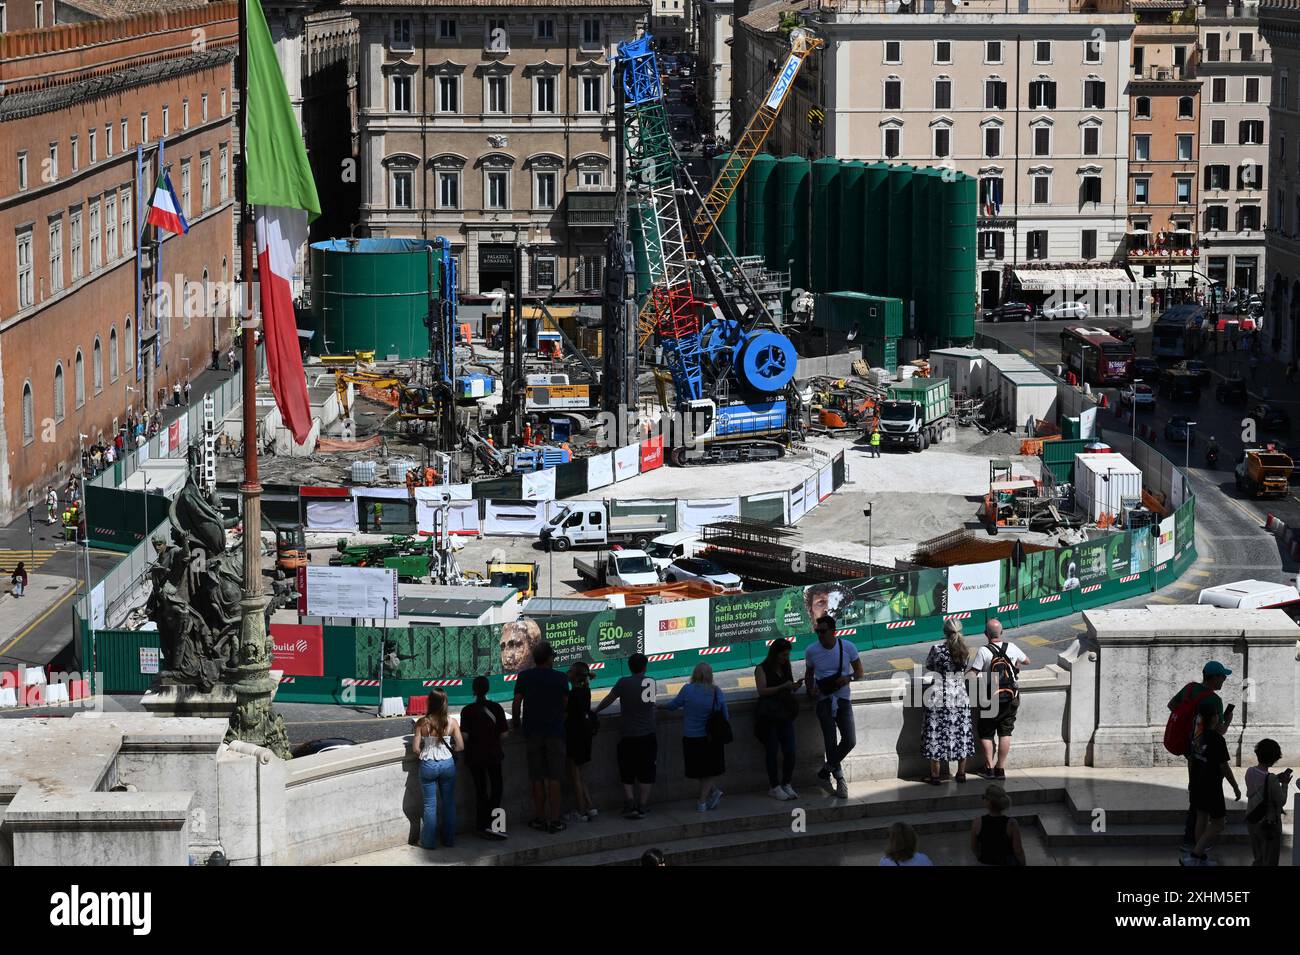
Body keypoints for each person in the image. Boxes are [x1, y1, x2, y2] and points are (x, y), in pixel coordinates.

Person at [1168, 661, 1231, 853]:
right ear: (1213, 678)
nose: (1224, 680)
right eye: (1222, 677)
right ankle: (1196, 843)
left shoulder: (1190, 688)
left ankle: (1192, 841)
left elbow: (1171, 705)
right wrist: (1227, 721)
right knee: (1203, 803)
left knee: (1196, 795)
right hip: (1207, 753)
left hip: (1191, 749)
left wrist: (1190, 726)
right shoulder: (1214, 700)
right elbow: (1218, 732)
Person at [511, 641, 569, 833]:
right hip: (555, 733)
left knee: (536, 778)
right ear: (549, 658)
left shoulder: (524, 676)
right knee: (555, 778)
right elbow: (565, 703)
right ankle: (554, 820)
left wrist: (517, 722)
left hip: (533, 733)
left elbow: (517, 701)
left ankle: (539, 818)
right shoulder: (560, 678)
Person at [804, 613, 864, 798]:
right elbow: (809, 674)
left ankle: (826, 770)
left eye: (822, 631)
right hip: (823, 699)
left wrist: (848, 678)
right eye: (817, 631)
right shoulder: (811, 651)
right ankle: (839, 780)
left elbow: (859, 672)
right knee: (830, 742)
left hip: (843, 698)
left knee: (850, 740)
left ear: (833, 631)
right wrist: (810, 689)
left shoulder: (848, 647)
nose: (819, 635)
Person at [594, 652, 658, 819]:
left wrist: (595, 711)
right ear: (645, 667)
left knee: (627, 769)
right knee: (647, 769)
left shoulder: (623, 682)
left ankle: (630, 801)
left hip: (628, 734)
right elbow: (650, 705)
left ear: (630, 667)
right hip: (647, 734)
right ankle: (642, 805)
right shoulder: (649, 682)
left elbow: (609, 699)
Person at [661, 662, 730, 812]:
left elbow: (673, 705)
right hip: (711, 738)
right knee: (710, 770)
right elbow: (725, 715)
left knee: (698, 770)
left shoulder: (687, 689)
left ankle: (705, 799)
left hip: (691, 737)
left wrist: (659, 706)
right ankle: (706, 799)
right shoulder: (716, 692)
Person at [967, 618, 1029, 779]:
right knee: (1005, 732)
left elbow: (973, 673)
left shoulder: (984, 651)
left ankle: (988, 768)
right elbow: (1027, 661)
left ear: (986, 634)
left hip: (990, 697)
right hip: (1011, 696)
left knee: (986, 732)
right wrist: (1016, 666)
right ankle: (1000, 769)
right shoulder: (1012, 647)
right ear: (1001, 632)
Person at [1183, 699, 1240, 866]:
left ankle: (1199, 858)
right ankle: (1195, 854)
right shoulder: (1216, 739)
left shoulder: (1195, 736)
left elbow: (1191, 761)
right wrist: (1235, 786)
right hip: (1211, 786)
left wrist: (1191, 780)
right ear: (1215, 718)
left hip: (1197, 784)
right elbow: (1224, 767)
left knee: (1201, 817)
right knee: (1219, 823)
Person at [922, 619, 975, 785]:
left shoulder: (937, 649)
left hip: (939, 694)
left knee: (936, 734)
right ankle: (961, 774)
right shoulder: (965, 650)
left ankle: (935, 776)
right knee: (962, 732)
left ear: (944, 632)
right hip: (960, 695)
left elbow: (929, 665)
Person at [410, 689, 463, 850]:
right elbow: (460, 746)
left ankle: (428, 842)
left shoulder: (422, 722)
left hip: (428, 764)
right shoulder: (452, 722)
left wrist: (427, 751)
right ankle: (448, 840)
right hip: (447, 763)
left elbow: (415, 749)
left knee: (429, 805)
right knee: (448, 803)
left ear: (430, 702)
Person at [458, 675, 509, 840]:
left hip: (475, 756)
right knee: (497, 788)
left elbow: (464, 737)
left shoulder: (467, 710)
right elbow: (505, 734)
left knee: (480, 791)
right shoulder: (496, 708)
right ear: (488, 689)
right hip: (493, 754)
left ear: (473, 690)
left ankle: (481, 826)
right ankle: (496, 825)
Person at [754, 638, 800, 800]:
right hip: (769, 715)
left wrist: (794, 686)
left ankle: (787, 782)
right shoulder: (761, 668)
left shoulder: (786, 666)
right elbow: (762, 691)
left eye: (787, 655)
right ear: (775, 654)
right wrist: (783, 686)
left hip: (785, 713)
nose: (785, 658)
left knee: (790, 751)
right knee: (772, 751)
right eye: (783, 655)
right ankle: (774, 786)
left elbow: (788, 686)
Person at [1244, 738, 1290, 866]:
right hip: (1267, 823)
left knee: (1258, 856)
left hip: (1252, 818)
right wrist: (1285, 784)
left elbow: (1259, 785)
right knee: (1270, 858)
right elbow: (1281, 801)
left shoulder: (1249, 771)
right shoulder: (1272, 780)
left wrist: (1275, 778)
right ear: (1274, 759)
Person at [564, 661, 597, 822]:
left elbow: (566, 714)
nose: (567, 672)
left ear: (575, 676)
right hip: (585, 736)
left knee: (575, 775)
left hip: (574, 736)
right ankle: (589, 805)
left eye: (569, 671)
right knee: (581, 774)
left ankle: (581, 810)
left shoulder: (572, 695)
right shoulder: (586, 691)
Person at [970, 784, 1025, 865]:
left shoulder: (977, 822)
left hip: (986, 862)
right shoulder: (1011, 823)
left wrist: (980, 857)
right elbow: (1018, 850)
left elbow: (974, 847)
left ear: (988, 802)